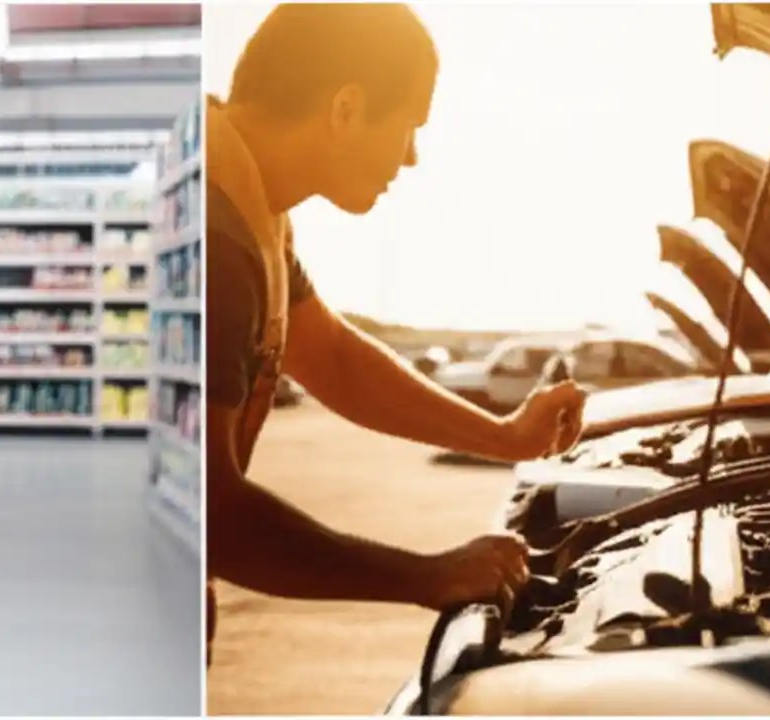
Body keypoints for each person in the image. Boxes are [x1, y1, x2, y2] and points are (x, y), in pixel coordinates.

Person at [206, 3, 588, 665]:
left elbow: (331, 357)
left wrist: (505, 436)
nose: (411, 158)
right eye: (409, 126)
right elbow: (210, 512)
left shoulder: (247, 200)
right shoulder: (205, 233)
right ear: (346, 107)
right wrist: (427, 576)